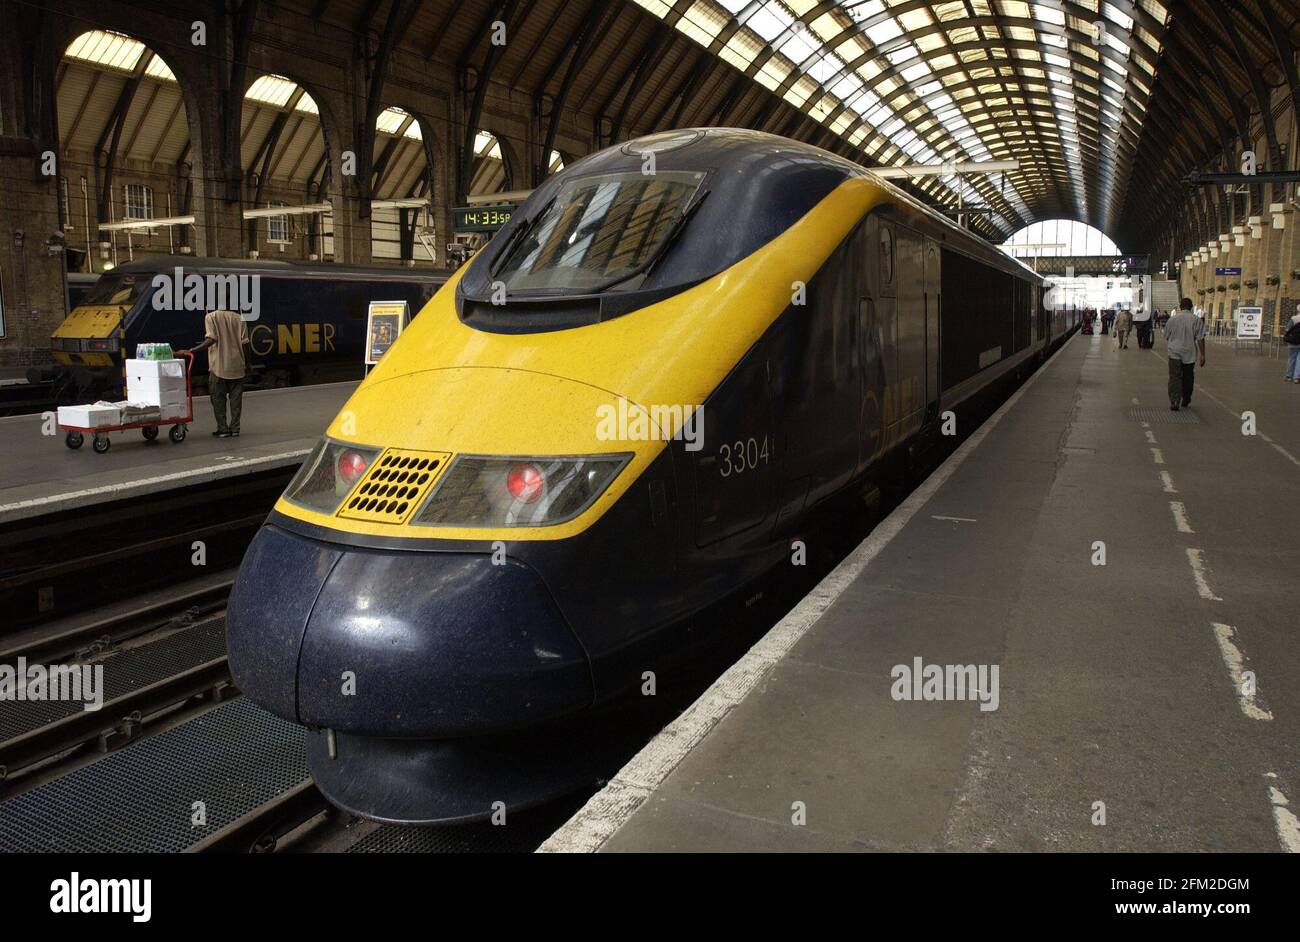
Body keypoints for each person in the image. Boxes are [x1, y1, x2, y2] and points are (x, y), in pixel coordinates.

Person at [179, 309, 252, 438]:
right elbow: (245, 343)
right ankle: (235, 428)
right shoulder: (240, 318)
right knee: (236, 401)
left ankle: (223, 428)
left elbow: (211, 339)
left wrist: (192, 350)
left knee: (218, 399)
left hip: (219, 366)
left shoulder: (211, 317)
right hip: (237, 365)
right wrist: (248, 364)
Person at [1164, 297, 1205, 411]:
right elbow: (1200, 338)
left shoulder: (1172, 320)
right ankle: (1186, 398)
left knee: (1174, 377)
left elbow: (1166, 336)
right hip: (1189, 353)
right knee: (1188, 377)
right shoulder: (1196, 320)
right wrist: (1202, 355)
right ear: (1191, 307)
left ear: (1180, 307)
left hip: (1174, 352)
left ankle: (1174, 401)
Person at [1285, 303, 1300, 384]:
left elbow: (1287, 329)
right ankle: (1297, 377)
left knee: (1291, 359)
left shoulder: (1293, 319)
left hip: (1293, 342)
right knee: (1299, 360)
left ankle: (1288, 376)